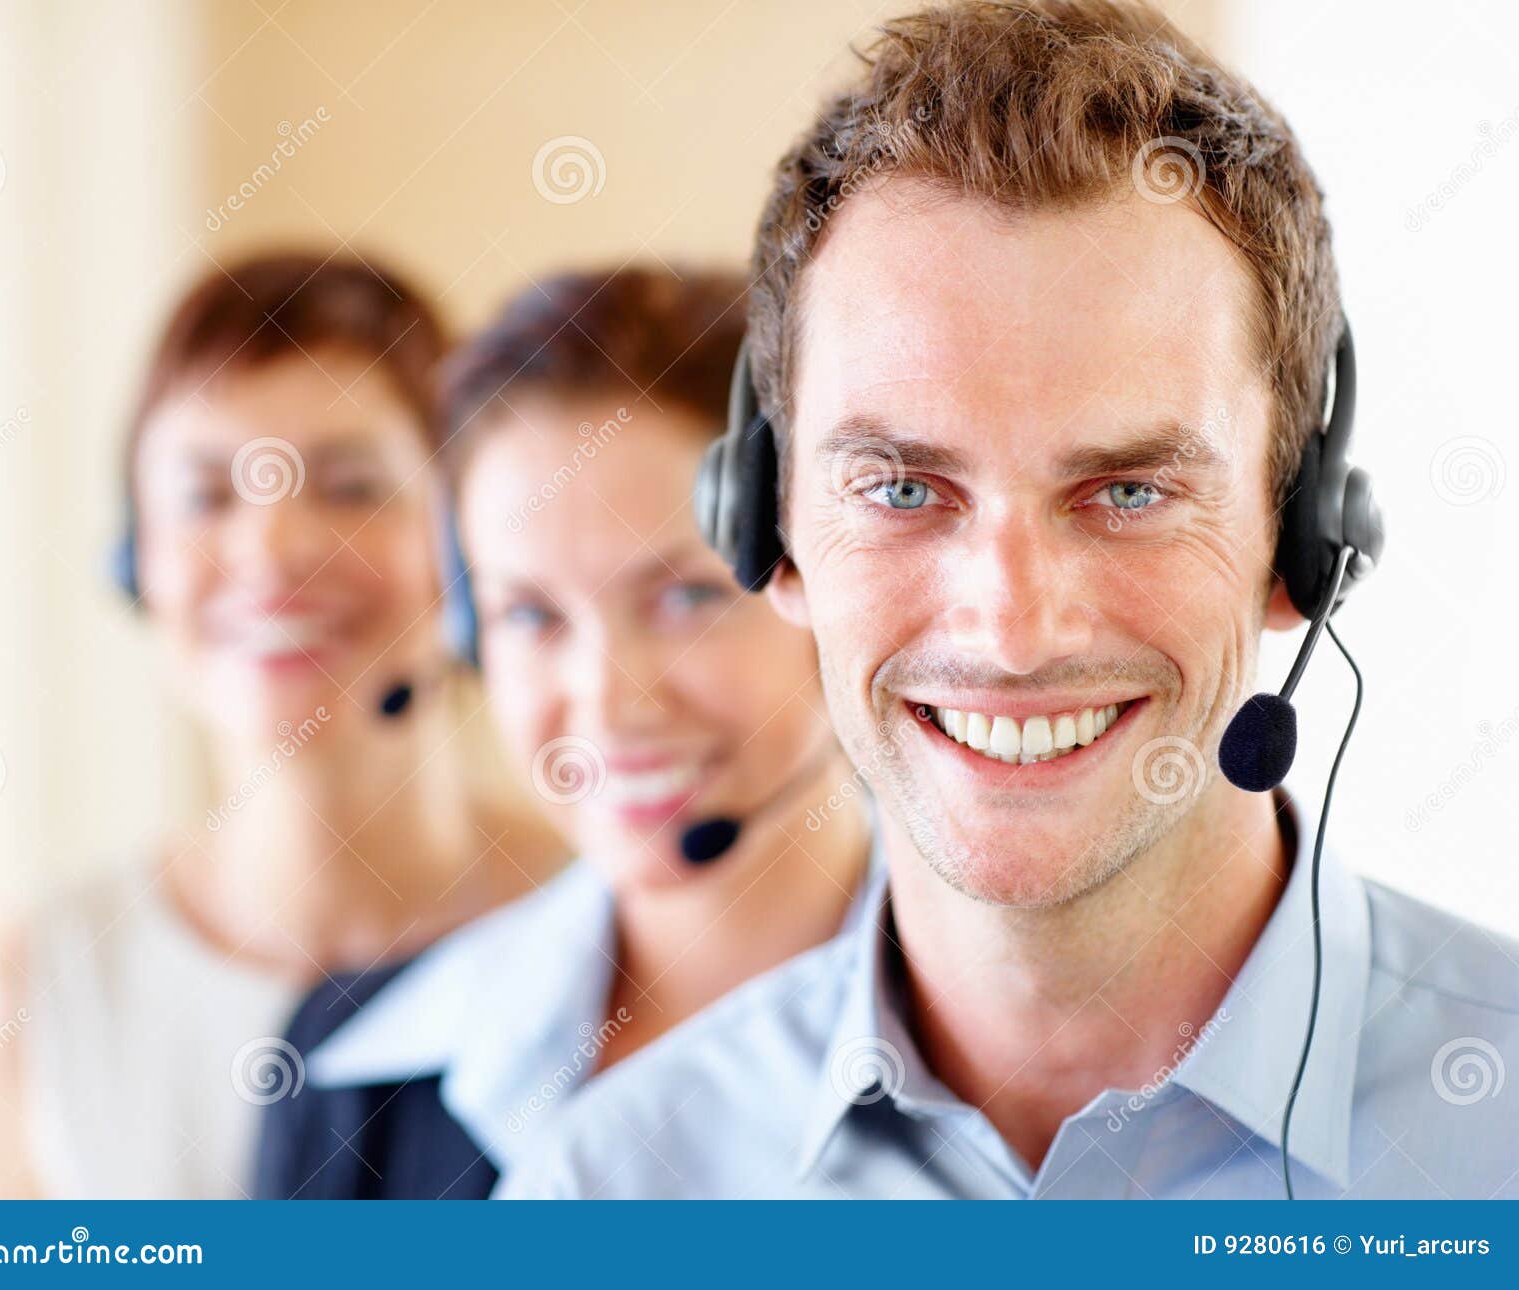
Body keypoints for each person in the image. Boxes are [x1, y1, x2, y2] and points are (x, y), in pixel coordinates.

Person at [496, 0, 1519, 1200]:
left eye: (1127, 491)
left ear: (1304, 539)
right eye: (901, 488)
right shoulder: (609, 1191)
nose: (1013, 629)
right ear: (767, 529)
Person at [253, 266, 875, 1199]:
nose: (607, 700)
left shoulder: (1039, 1060)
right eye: (531, 616)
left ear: (830, 592)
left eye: (686, 597)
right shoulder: (353, 1076)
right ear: (466, 635)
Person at [0, 252, 563, 1199]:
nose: (273, 550)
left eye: (349, 485)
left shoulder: (620, 932)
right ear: (137, 566)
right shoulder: (41, 987)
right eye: (206, 496)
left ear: (465, 541)